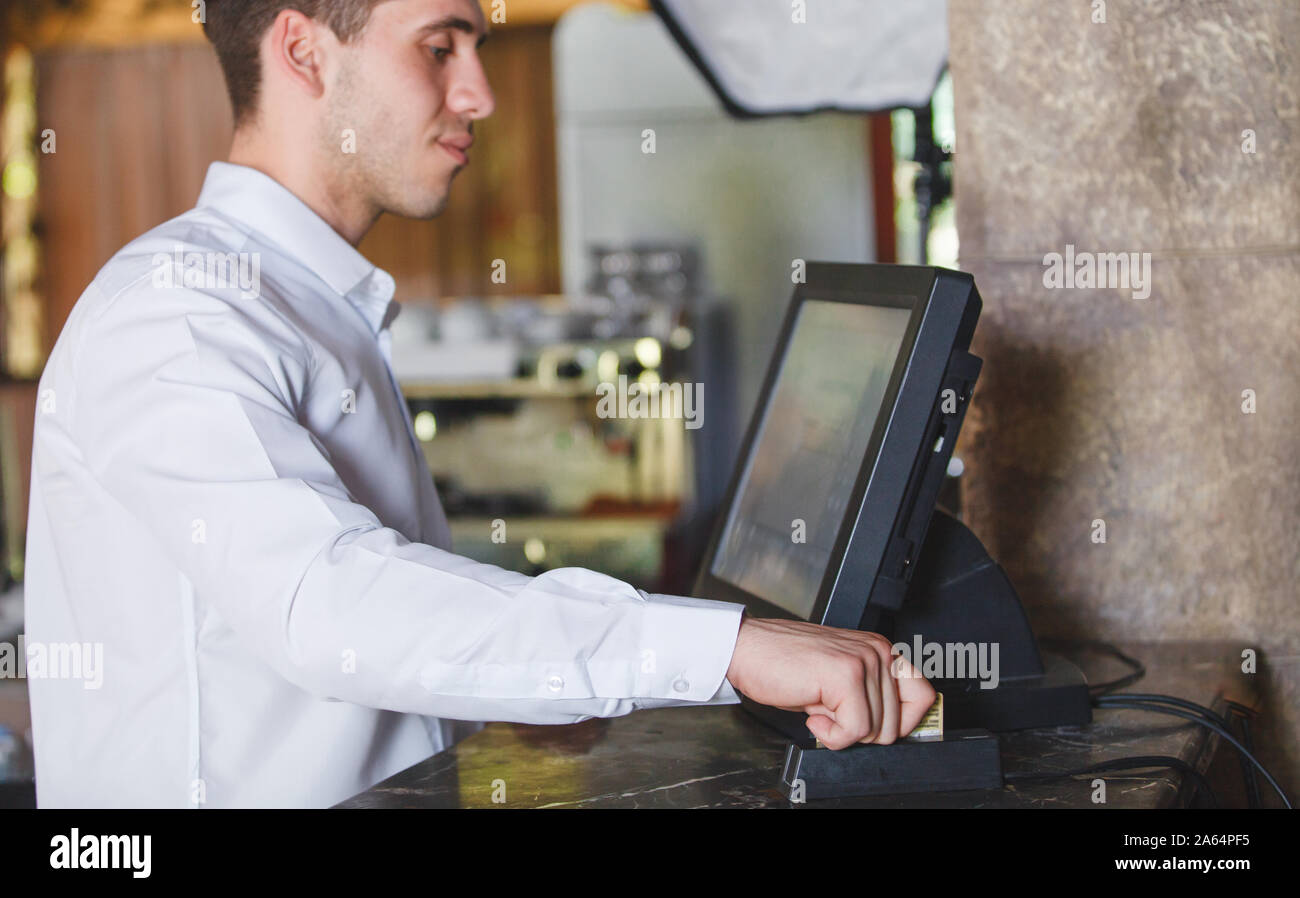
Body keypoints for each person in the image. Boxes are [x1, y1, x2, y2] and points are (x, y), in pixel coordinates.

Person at [24, 0, 934, 808]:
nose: (480, 94)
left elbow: (355, 646)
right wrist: (726, 649)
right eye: (439, 45)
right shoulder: (179, 309)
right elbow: (326, 602)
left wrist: (504, 695)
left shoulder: (311, 302)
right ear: (304, 53)